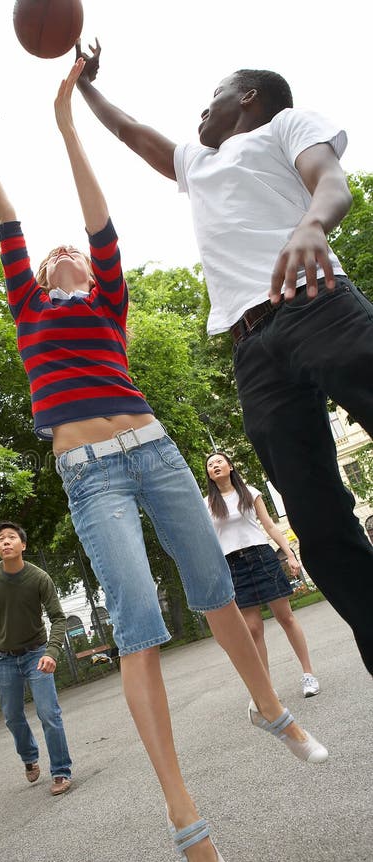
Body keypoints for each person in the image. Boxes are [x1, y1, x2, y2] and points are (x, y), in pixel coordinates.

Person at [0, 59, 327, 862]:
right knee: (140, 625)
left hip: (152, 448)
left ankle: (271, 712)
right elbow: (9, 221)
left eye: (71, 248)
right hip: (90, 474)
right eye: (50, 256)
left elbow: (95, 211)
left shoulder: (108, 298)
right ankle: (190, 831)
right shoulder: (30, 309)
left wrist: (68, 124)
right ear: (38, 279)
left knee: (214, 589)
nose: (62, 251)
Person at [74, 43, 373, 678]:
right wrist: (86, 86)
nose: (199, 109)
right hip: (252, 347)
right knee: (316, 519)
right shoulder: (198, 162)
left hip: (316, 301)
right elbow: (131, 134)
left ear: (247, 98)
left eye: (213, 94)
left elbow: (331, 180)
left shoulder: (282, 128)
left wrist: (313, 224)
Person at [205, 452, 320, 699]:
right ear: (209, 474)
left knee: (286, 617)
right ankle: (267, 689)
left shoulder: (250, 492)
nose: (214, 466)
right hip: (233, 565)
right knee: (253, 628)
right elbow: (209, 541)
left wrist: (289, 553)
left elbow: (268, 524)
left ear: (230, 466)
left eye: (218, 461)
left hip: (261, 557)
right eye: (210, 465)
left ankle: (308, 674)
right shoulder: (207, 504)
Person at [0, 521, 72, 796]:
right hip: (5, 658)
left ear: (23, 545)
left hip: (36, 654)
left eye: (11, 538)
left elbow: (58, 618)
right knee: (12, 717)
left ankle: (61, 772)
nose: (5, 542)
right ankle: (29, 757)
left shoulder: (39, 578)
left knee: (48, 713)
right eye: (0, 539)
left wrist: (52, 652)